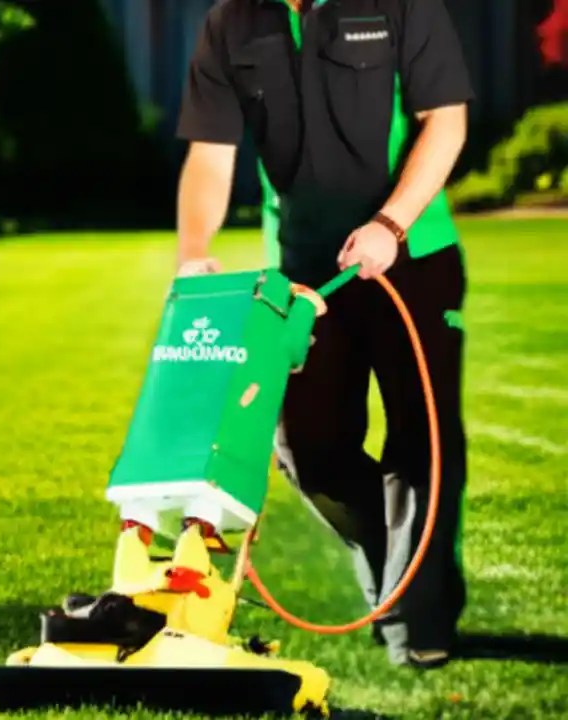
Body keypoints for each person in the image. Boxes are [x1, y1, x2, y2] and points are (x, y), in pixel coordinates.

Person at [173, 0, 472, 669]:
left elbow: (445, 122)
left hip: (413, 252)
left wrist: (390, 225)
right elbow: (211, 154)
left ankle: (416, 620)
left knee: (422, 440)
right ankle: (395, 570)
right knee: (307, 446)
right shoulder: (233, 23)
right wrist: (194, 251)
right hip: (305, 274)